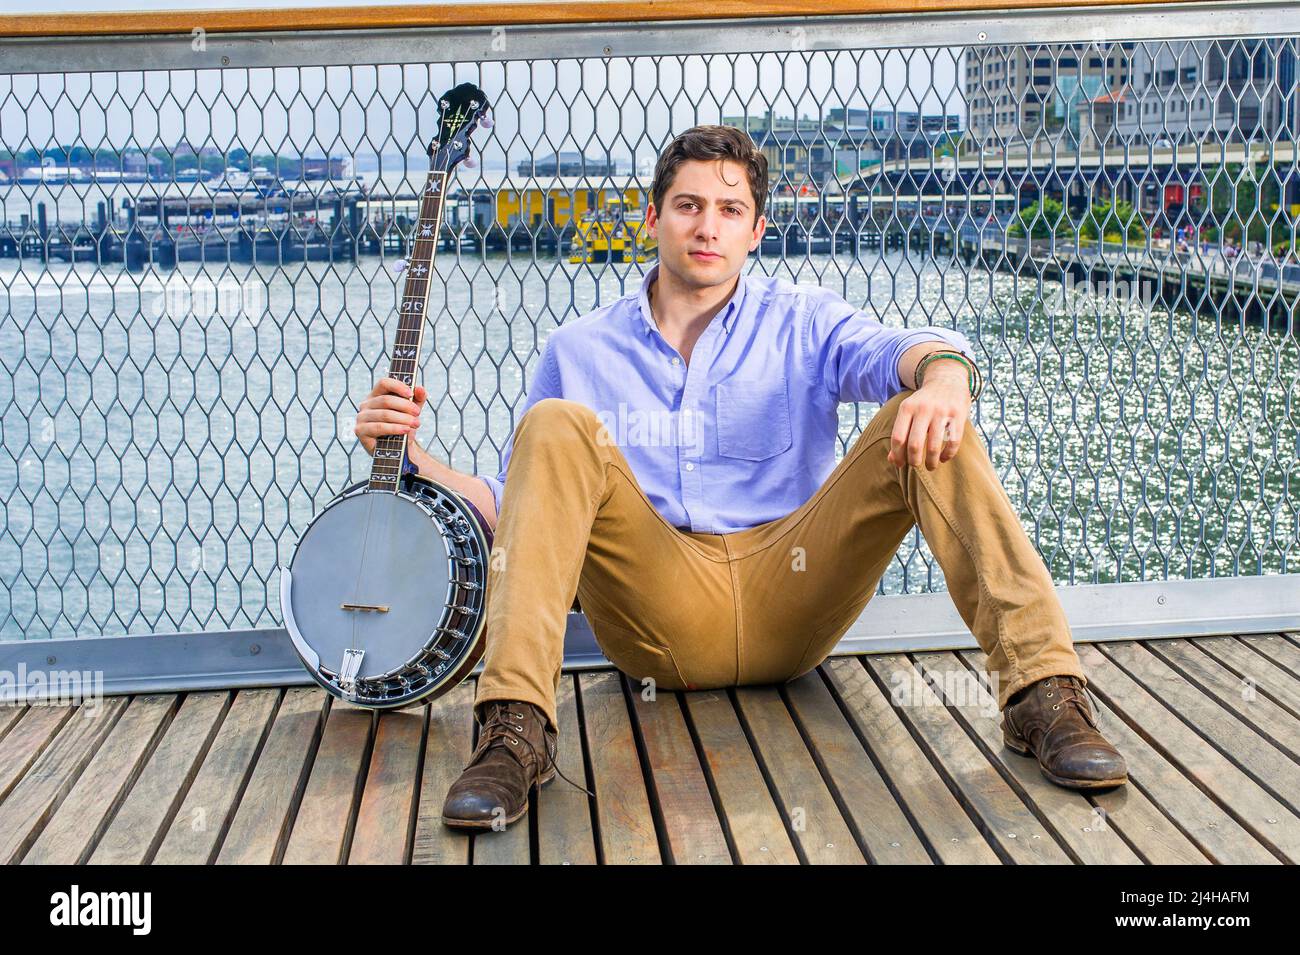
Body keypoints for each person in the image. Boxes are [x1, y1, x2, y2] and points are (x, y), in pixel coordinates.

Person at [354, 125, 1128, 833]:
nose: (706, 226)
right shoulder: (578, 348)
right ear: (653, 216)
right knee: (553, 426)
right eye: (688, 205)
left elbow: (901, 348)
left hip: (794, 588)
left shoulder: (803, 318)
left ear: (758, 229)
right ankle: (514, 729)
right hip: (658, 604)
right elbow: (519, 496)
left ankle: (1043, 696)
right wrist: (418, 466)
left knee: (925, 416)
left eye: (730, 209)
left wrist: (946, 379)